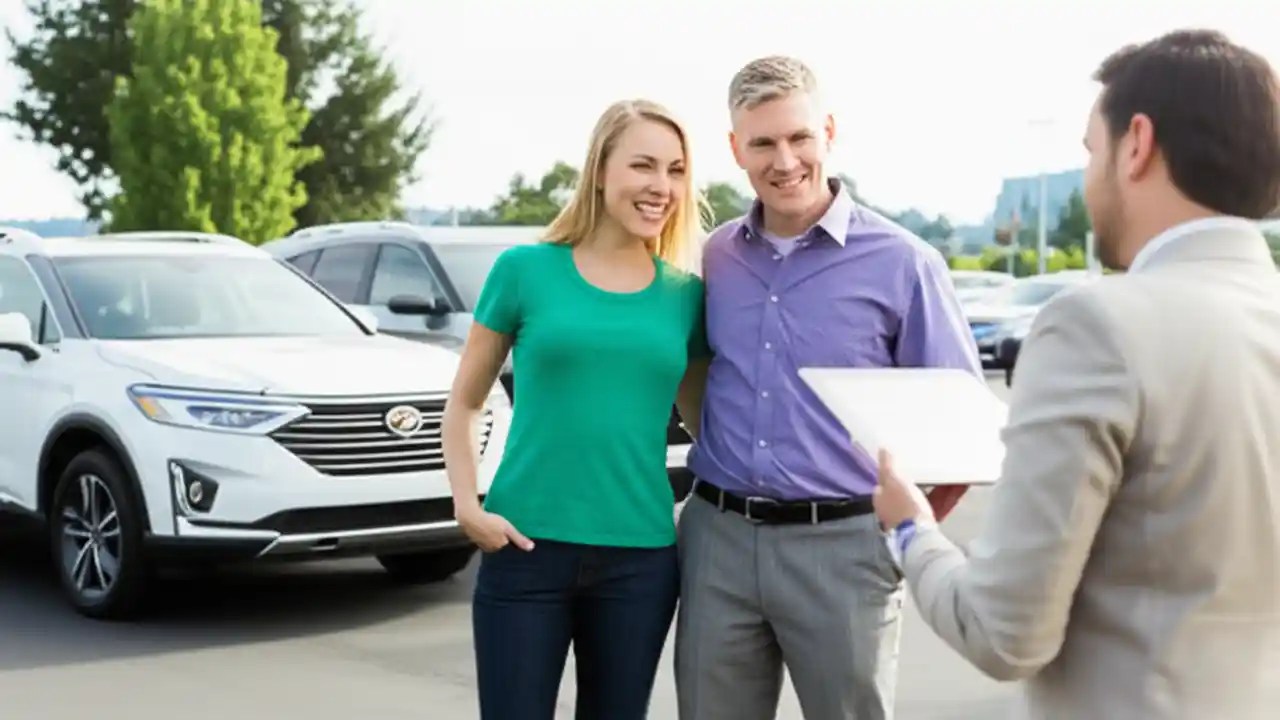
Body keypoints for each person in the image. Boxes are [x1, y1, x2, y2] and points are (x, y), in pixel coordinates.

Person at [873, 29, 1280, 720]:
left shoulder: (1096, 325)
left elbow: (1005, 633)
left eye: (1091, 151)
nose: (1090, 177)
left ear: (1137, 144)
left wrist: (910, 530)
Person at [674, 55, 981, 720]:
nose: (784, 161)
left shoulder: (904, 263)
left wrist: (896, 542)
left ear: (829, 133)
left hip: (844, 550)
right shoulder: (714, 257)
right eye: (762, 143)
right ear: (736, 149)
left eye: (798, 137)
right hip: (717, 545)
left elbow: (962, 439)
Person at [441, 98, 710, 720]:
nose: (661, 186)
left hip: (640, 562)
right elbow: (464, 402)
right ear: (600, 170)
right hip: (524, 549)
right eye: (643, 165)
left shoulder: (685, 296)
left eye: (675, 170)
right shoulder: (525, 271)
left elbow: (705, 427)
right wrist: (465, 506)